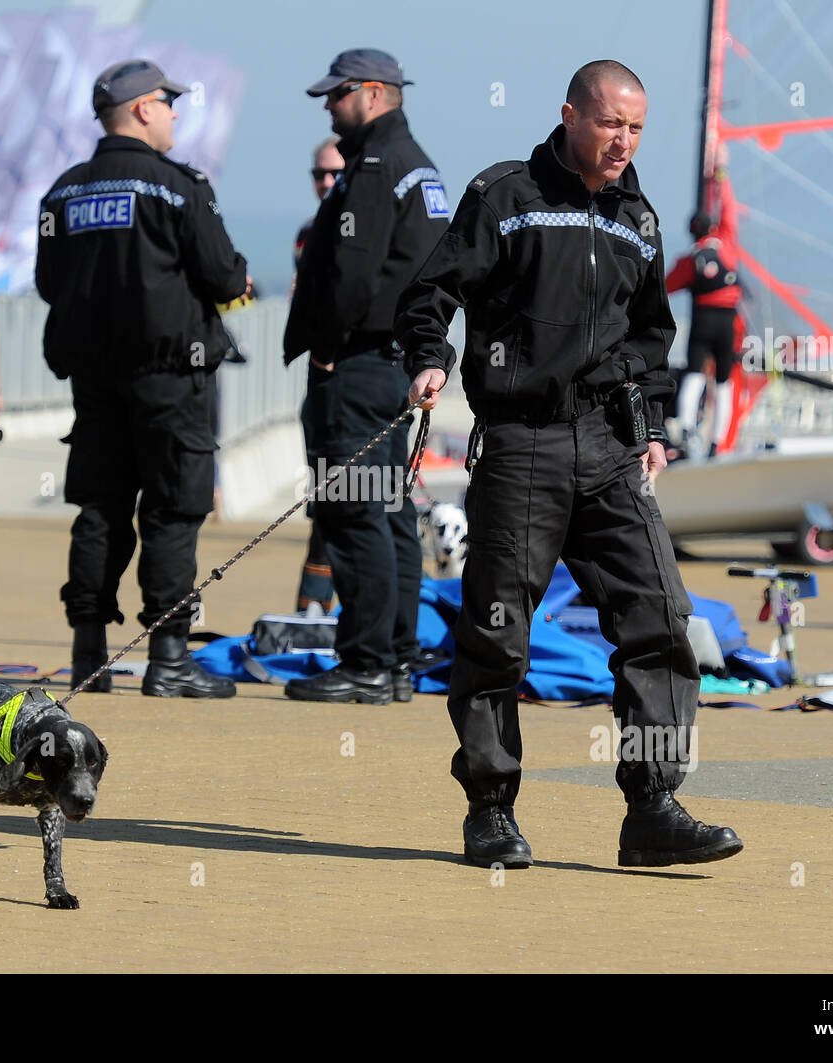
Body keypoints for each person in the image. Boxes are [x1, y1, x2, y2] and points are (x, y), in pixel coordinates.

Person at [396, 60, 743, 869]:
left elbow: (653, 333)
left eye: (637, 128)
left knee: (660, 620)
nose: (624, 141)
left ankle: (652, 806)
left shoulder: (639, 216)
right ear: (571, 116)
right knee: (498, 635)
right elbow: (432, 290)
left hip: (614, 448)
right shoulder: (505, 195)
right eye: (611, 123)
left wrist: (653, 423)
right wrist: (429, 357)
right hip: (523, 443)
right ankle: (490, 811)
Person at [36, 60, 250, 697]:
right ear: (141, 109)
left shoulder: (63, 191)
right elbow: (224, 275)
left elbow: (49, 283)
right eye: (168, 102)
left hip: (95, 380)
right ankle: (169, 660)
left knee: (100, 509)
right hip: (171, 379)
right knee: (173, 511)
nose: (176, 113)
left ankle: (87, 657)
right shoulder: (179, 186)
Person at [283, 48, 450, 705]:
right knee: (387, 511)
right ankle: (399, 659)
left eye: (338, 93)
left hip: (358, 365)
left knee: (354, 515)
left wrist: (327, 346)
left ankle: (366, 662)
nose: (328, 104)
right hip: (396, 364)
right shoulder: (418, 168)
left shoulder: (377, 168)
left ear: (374, 93)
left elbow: (354, 272)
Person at [292, 135, 344, 616]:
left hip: (362, 384)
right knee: (324, 500)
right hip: (320, 384)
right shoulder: (310, 232)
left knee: (368, 500)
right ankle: (313, 612)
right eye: (319, 174)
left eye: (335, 173)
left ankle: (366, 624)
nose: (326, 183)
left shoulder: (368, 227)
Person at [665, 161, 743, 456]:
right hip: (727, 324)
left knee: (695, 376)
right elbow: (730, 213)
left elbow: (664, 288)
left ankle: (686, 430)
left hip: (702, 324)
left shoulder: (689, 259)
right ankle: (717, 442)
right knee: (723, 382)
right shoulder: (726, 244)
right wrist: (721, 177)